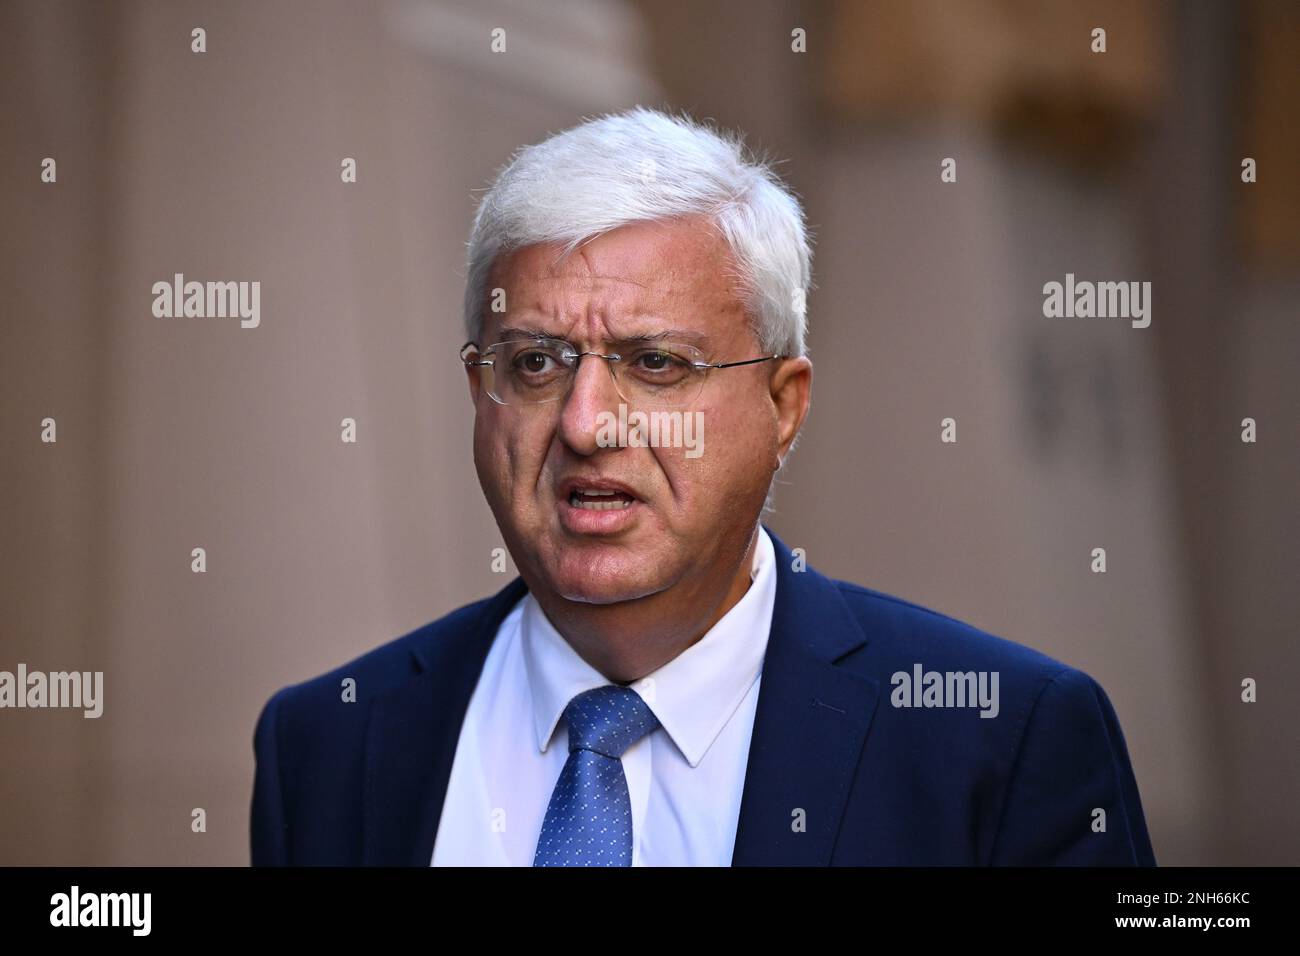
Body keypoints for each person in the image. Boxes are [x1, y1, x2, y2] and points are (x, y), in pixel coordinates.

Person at [250, 106, 1156, 866]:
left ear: (782, 404)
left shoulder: (999, 740)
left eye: (655, 364)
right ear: (478, 394)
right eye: (533, 362)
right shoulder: (330, 744)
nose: (585, 422)